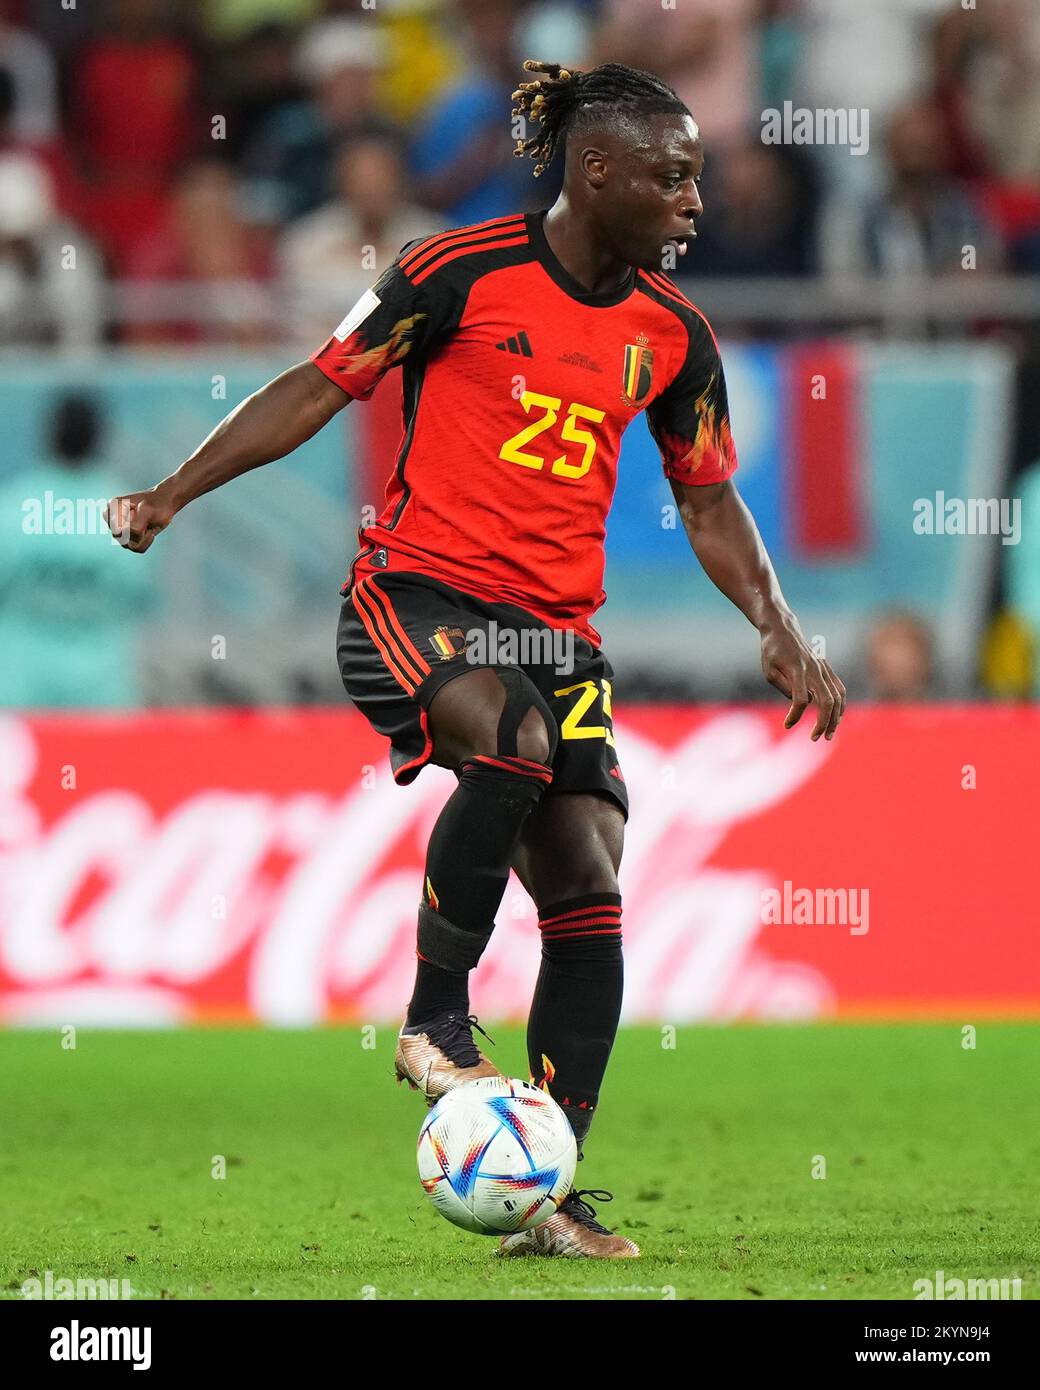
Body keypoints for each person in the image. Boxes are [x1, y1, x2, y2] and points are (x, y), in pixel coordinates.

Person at [106, 58, 846, 1258]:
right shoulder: (456, 272)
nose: (693, 203)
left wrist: (773, 622)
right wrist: (173, 492)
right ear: (594, 170)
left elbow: (708, 500)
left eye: (696, 181)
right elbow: (315, 385)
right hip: (414, 596)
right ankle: (431, 1021)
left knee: (588, 873)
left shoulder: (673, 335)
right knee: (508, 737)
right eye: (672, 178)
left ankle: (547, 1191)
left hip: (560, 636)